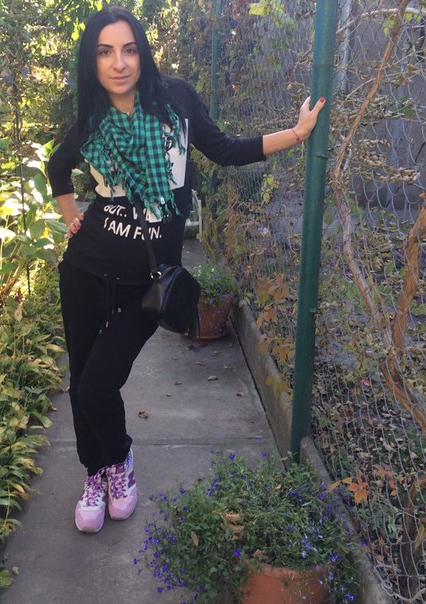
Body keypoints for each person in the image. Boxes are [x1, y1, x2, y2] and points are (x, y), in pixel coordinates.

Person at [47, 5, 325, 534]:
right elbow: (56, 168)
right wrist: (71, 219)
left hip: (148, 283)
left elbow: (224, 150)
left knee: (100, 385)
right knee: (81, 385)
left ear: (142, 53)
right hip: (85, 272)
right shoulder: (93, 116)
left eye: (128, 49)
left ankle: (119, 457)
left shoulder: (174, 100)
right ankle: (96, 472)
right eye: (105, 52)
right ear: (92, 61)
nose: (119, 63)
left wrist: (296, 133)